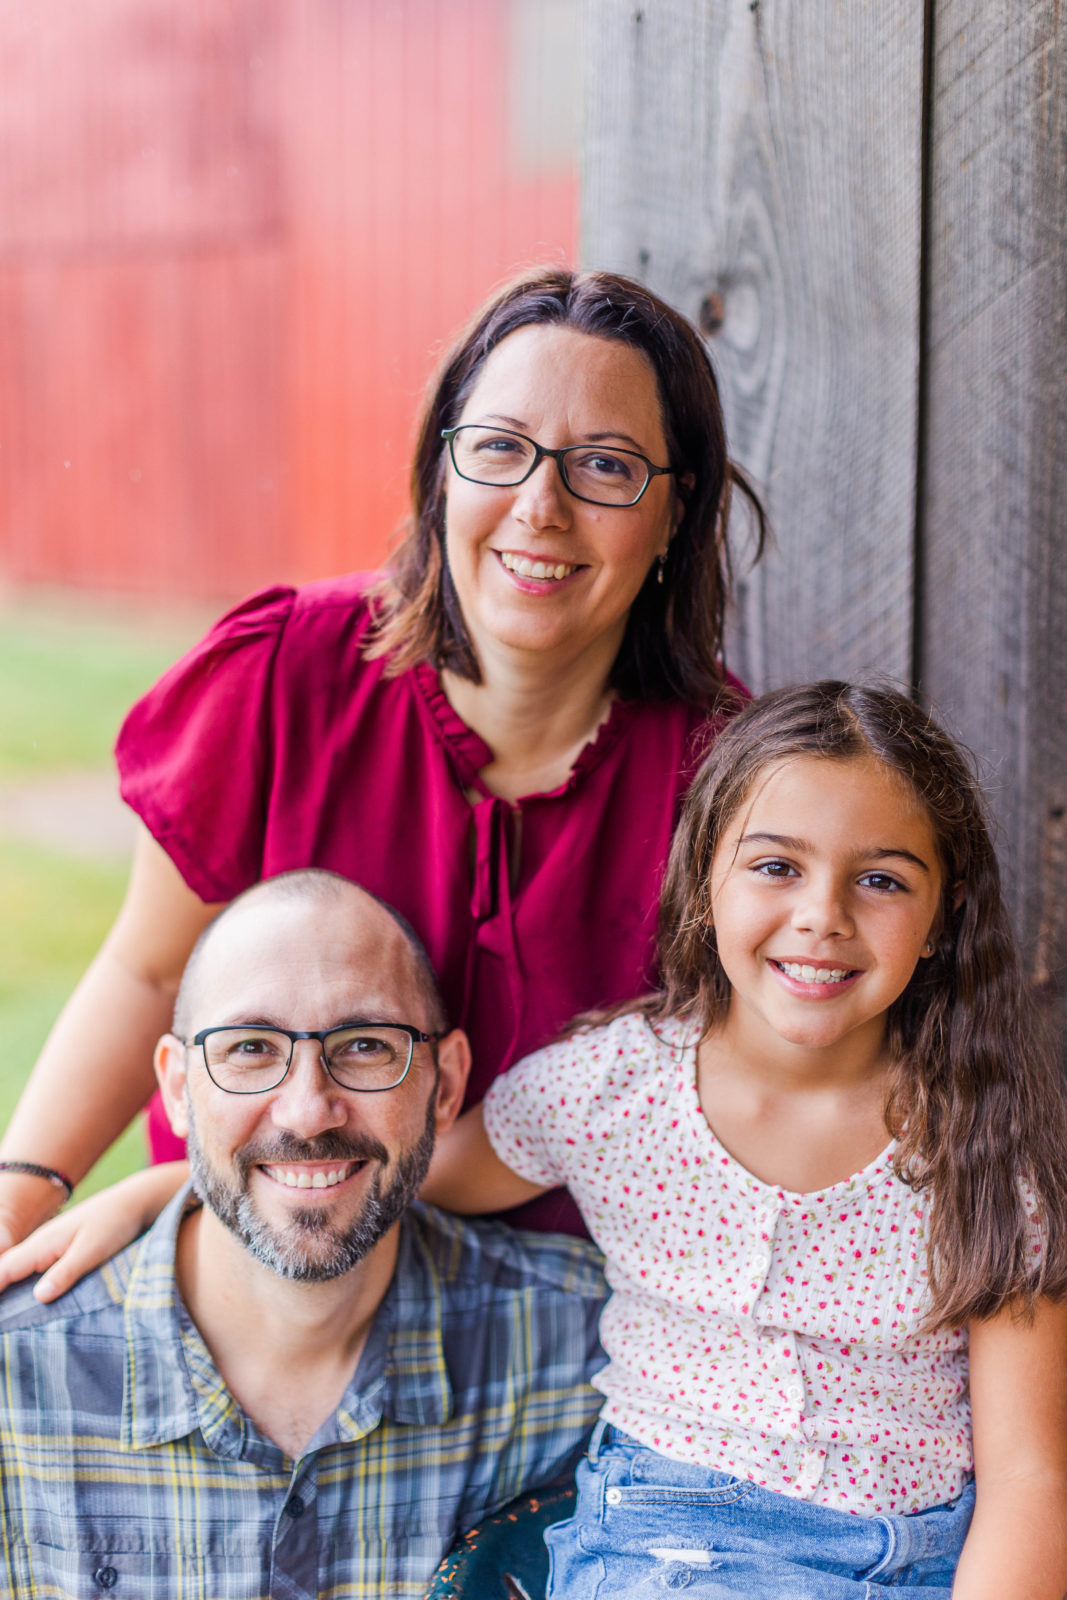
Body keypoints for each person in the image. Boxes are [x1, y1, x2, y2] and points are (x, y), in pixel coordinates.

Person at [0, 265, 764, 1254]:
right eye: (498, 449)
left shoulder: (732, 781)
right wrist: (23, 1190)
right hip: (261, 1270)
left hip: (562, 1336)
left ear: (673, 510)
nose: (540, 506)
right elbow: (150, 970)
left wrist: (166, 1198)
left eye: (606, 466)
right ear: (442, 469)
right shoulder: (282, 676)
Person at [422, 682, 1067, 1598]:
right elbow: (395, 1185)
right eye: (775, 867)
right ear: (704, 876)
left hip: (932, 1559)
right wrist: (157, 1195)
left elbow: (1029, 1478)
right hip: (678, 1542)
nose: (822, 916)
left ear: (943, 918)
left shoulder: (984, 1144)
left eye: (880, 880)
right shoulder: (609, 1092)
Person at [0, 870, 606, 1599]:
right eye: (251, 1047)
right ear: (176, 1089)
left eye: (364, 1046)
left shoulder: (593, 1351)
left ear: (444, 1086)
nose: (306, 1111)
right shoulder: (16, 1388)